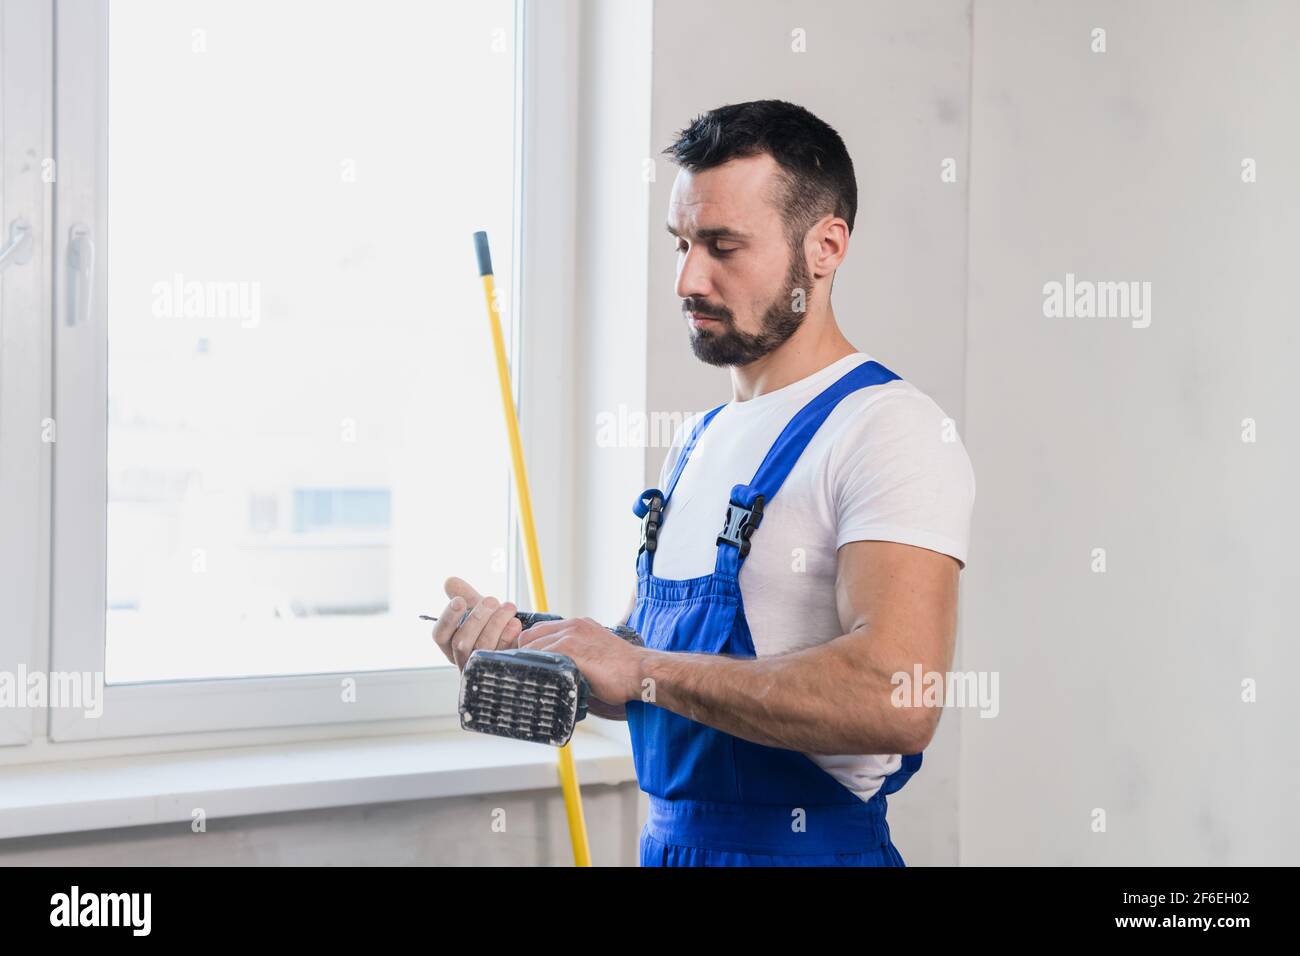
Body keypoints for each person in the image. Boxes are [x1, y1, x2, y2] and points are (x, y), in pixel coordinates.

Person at [431, 99, 975, 866]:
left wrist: (642, 667)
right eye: (681, 243)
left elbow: (898, 696)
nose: (690, 278)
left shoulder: (887, 429)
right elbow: (641, 678)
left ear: (825, 247)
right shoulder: (697, 442)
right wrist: (537, 650)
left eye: (723, 245)